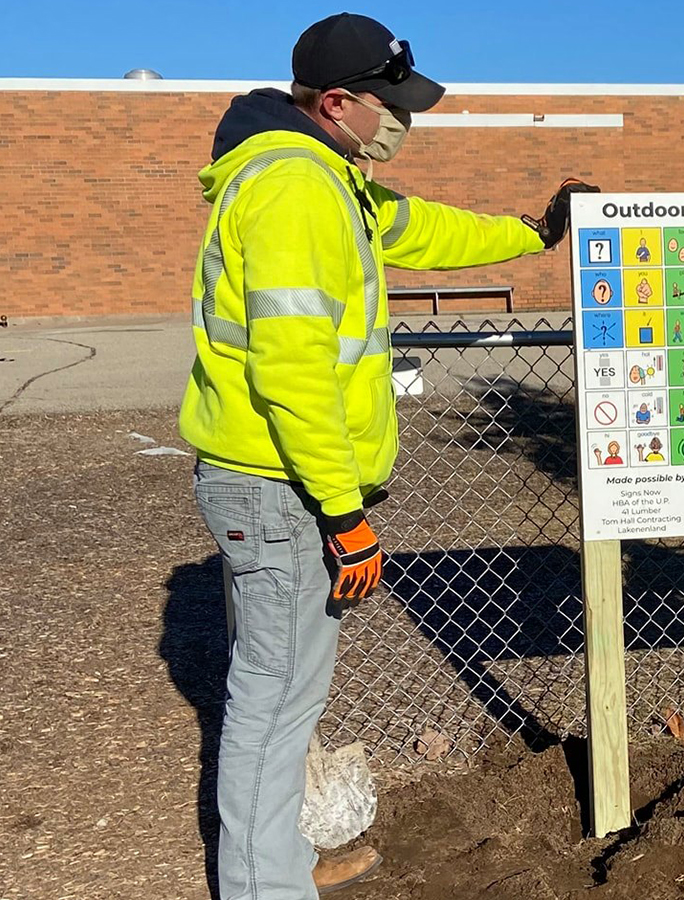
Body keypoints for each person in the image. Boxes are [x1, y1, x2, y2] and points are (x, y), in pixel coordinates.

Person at [178, 13, 596, 898]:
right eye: (389, 103)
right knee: (272, 704)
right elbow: (292, 370)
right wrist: (342, 512)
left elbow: (426, 233)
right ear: (335, 102)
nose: (402, 119)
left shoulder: (329, 177)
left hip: (271, 483)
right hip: (281, 487)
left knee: (283, 697)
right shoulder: (295, 190)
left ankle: (276, 868)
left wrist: (534, 232)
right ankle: (264, 888)